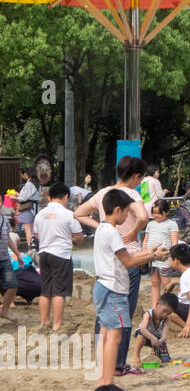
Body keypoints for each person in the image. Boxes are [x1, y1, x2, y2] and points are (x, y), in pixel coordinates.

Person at [77, 156, 151, 378]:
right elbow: (144, 217)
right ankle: (117, 365)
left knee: (103, 319)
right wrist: (130, 233)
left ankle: (103, 364)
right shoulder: (132, 194)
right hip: (127, 256)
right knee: (123, 317)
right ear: (136, 176)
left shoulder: (102, 193)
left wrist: (100, 226)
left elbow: (78, 213)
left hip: (105, 261)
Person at [91, 188, 169, 385]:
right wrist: (153, 256)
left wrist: (149, 252)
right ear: (118, 210)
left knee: (105, 333)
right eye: (126, 212)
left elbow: (129, 257)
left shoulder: (101, 229)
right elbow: (128, 261)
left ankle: (102, 377)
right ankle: (106, 382)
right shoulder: (112, 232)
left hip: (103, 287)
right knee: (114, 337)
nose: (127, 217)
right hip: (113, 290)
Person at [33, 183, 84, 334]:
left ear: (50, 197)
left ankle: (44, 322)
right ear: (66, 196)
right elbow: (79, 237)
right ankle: (57, 324)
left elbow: (36, 236)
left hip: (44, 254)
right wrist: (71, 240)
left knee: (45, 290)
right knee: (59, 291)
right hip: (61, 254)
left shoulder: (40, 214)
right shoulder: (68, 214)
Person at [143, 201, 179, 304]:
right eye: (154, 213)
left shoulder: (171, 224)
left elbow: (174, 243)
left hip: (165, 259)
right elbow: (146, 240)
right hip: (151, 258)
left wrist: (172, 257)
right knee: (154, 283)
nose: (156, 215)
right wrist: (144, 252)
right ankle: (155, 307)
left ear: (167, 212)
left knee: (166, 283)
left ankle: (167, 305)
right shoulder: (150, 224)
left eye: (159, 213)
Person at [130, 291, 175, 367]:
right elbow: (143, 329)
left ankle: (158, 356)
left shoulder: (166, 320)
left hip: (157, 338)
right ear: (158, 304)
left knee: (165, 360)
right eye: (164, 311)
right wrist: (152, 338)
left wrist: (159, 341)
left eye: (168, 313)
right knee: (141, 336)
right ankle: (136, 356)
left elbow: (164, 336)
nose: (165, 315)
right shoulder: (149, 314)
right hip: (145, 334)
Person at [16, 166, 40, 250]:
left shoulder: (30, 184)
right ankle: (35, 247)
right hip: (33, 208)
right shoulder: (35, 183)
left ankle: (30, 248)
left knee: (28, 230)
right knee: (33, 230)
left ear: (26, 174)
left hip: (27, 209)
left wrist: (14, 197)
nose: (22, 176)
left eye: (22, 174)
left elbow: (23, 198)